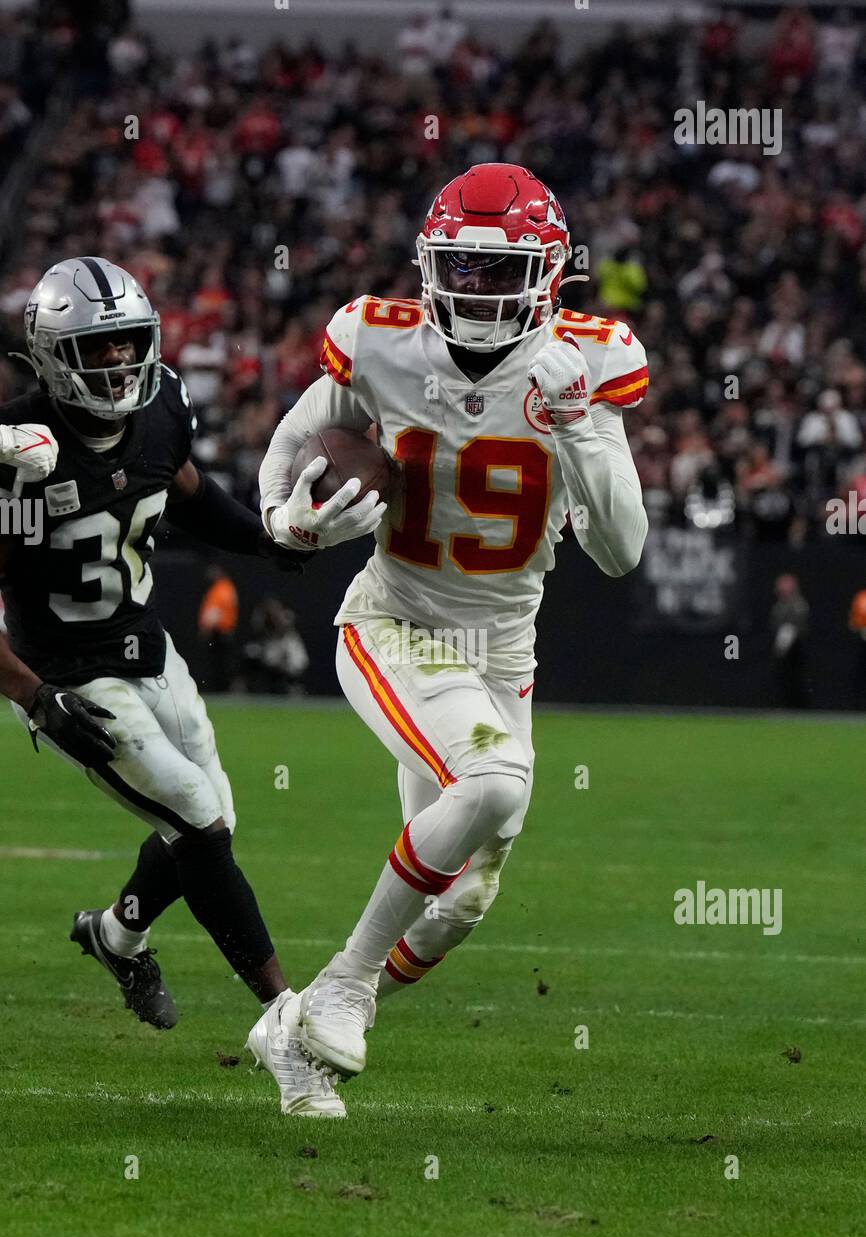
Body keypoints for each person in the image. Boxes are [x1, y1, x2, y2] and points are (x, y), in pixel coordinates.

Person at [254, 162, 649, 1109]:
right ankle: (347, 985)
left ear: (550, 276)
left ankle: (291, 1030)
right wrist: (290, 524)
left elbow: (622, 550)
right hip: (395, 619)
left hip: (504, 650)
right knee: (494, 779)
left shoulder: (585, 363)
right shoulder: (382, 345)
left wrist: (580, 426)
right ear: (430, 264)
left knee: (464, 898)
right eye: (459, 267)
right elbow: (288, 451)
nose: (473, 289)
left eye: (494, 270)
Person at [0, 257, 377, 1116]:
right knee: (199, 824)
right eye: (99, 352)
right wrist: (31, 696)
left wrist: (270, 543)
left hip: (147, 646)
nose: (120, 366)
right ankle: (285, 1026)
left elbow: (186, 492)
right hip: (68, 673)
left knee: (212, 821)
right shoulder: (20, 456)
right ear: (53, 358)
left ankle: (117, 934)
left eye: (132, 345)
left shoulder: (160, 408)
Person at [770, 573, 809, 708]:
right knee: (782, 679)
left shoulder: (798, 605)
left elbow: (793, 627)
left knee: (794, 679)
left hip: (796, 652)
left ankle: (797, 707)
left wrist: (785, 641)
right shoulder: (779, 605)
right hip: (783, 653)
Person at [198, 563, 239, 692]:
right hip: (224, 632)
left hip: (219, 632)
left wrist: (206, 628)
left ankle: (220, 689)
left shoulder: (220, 589)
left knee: (218, 664)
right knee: (222, 663)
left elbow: (214, 612)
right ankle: (222, 688)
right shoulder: (227, 587)